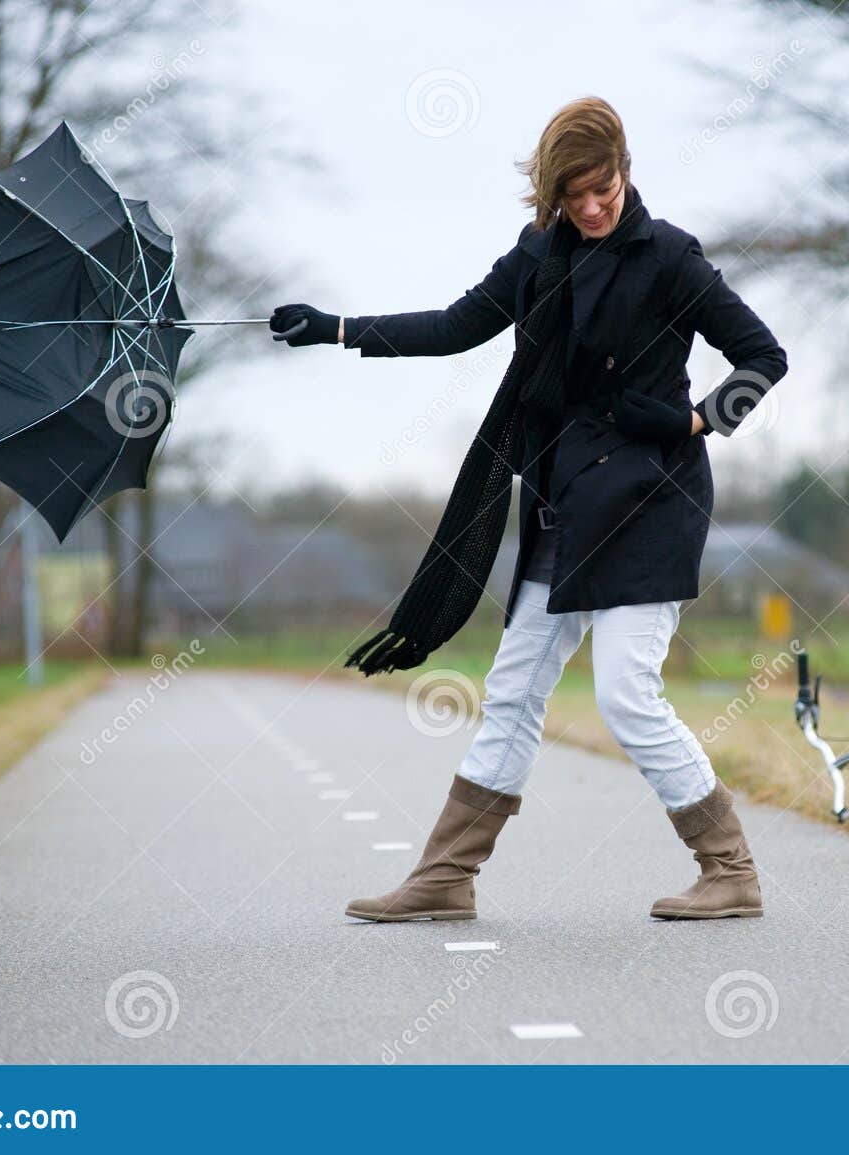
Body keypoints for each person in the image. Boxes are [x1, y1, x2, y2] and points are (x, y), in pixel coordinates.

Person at [269, 96, 788, 922]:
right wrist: (336, 328)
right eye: (573, 194)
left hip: (651, 501)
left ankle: (728, 869)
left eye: (603, 187)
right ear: (550, 193)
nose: (591, 206)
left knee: (625, 693)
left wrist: (697, 419)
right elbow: (454, 325)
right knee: (511, 692)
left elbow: (764, 355)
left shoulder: (671, 258)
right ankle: (446, 876)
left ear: (626, 168)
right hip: (563, 503)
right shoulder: (538, 255)